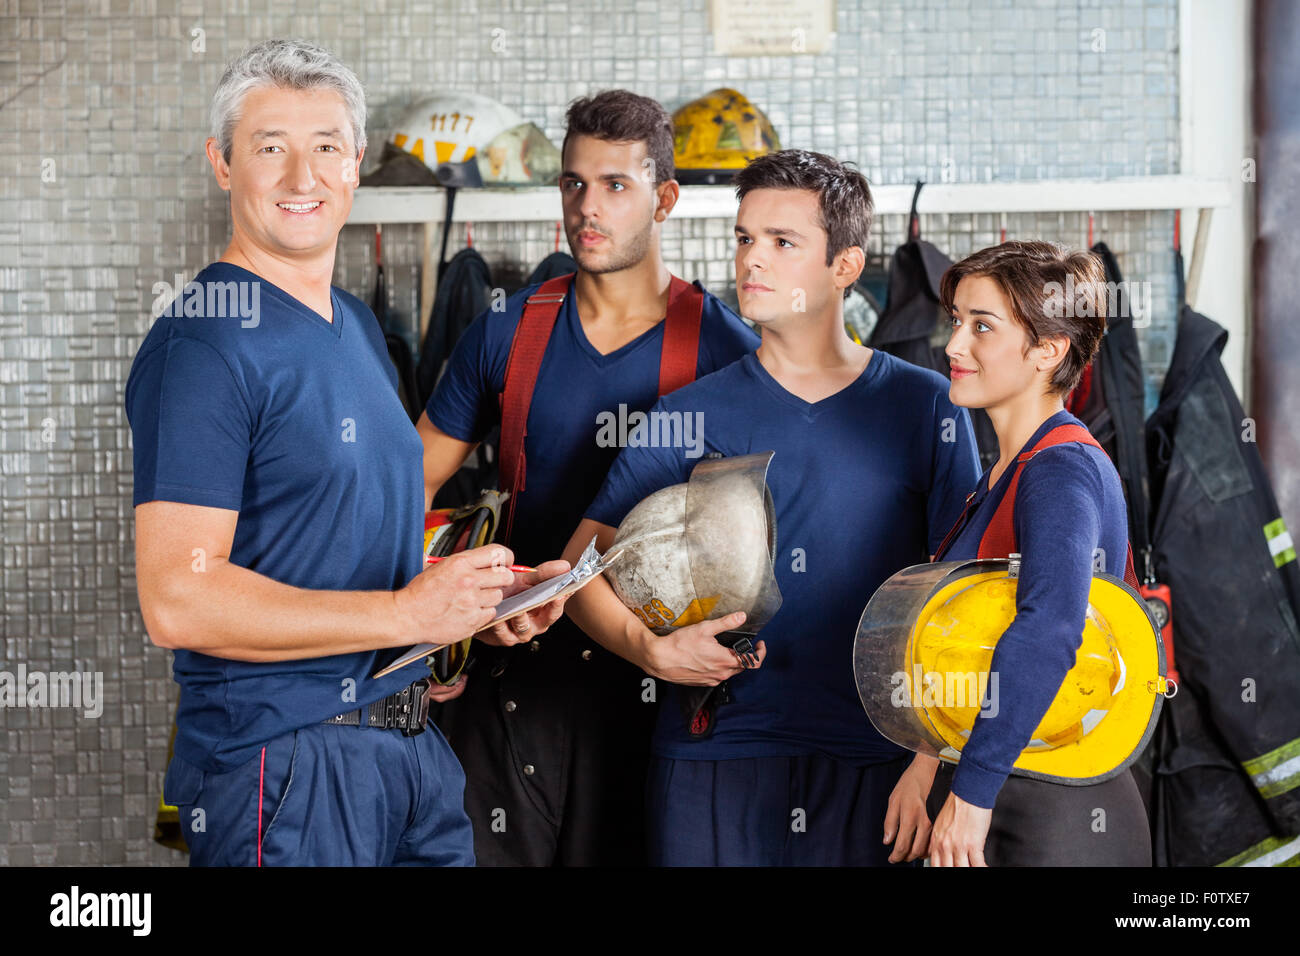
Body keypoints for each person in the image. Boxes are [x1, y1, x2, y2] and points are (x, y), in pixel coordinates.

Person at [125, 39, 567, 867]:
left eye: (325, 146)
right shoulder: (205, 345)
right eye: (270, 148)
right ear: (222, 165)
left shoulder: (354, 326)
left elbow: (341, 543)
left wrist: (476, 605)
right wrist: (405, 617)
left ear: (356, 163)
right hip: (284, 765)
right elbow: (177, 599)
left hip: (407, 749)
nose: (303, 177)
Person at [561, 149, 981, 866]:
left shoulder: (926, 405)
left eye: (783, 243)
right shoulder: (688, 411)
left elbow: (967, 595)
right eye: (745, 237)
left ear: (844, 267)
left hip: (877, 764)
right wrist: (648, 649)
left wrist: (931, 759)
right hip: (715, 755)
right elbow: (576, 568)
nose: (753, 260)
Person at [416, 89, 760, 866]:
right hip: (508, 692)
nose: (587, 207)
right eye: (574, 183)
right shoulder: (507, 331)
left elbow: (757, 541)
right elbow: (401, 492)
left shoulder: (724, 349)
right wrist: (423, 631)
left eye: (615, 186)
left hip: (647, 699)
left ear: (664, 199)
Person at [902, 240, 1153, 866]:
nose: (954, 346)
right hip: (1004, 784)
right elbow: (969, 641)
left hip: (1055, 811)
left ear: (1049, 350)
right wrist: (925, 764)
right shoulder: (1006, 472)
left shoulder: (1059, 468)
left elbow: (1050, 628)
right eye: (957, 321)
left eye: (982, 326)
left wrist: (972, 795)